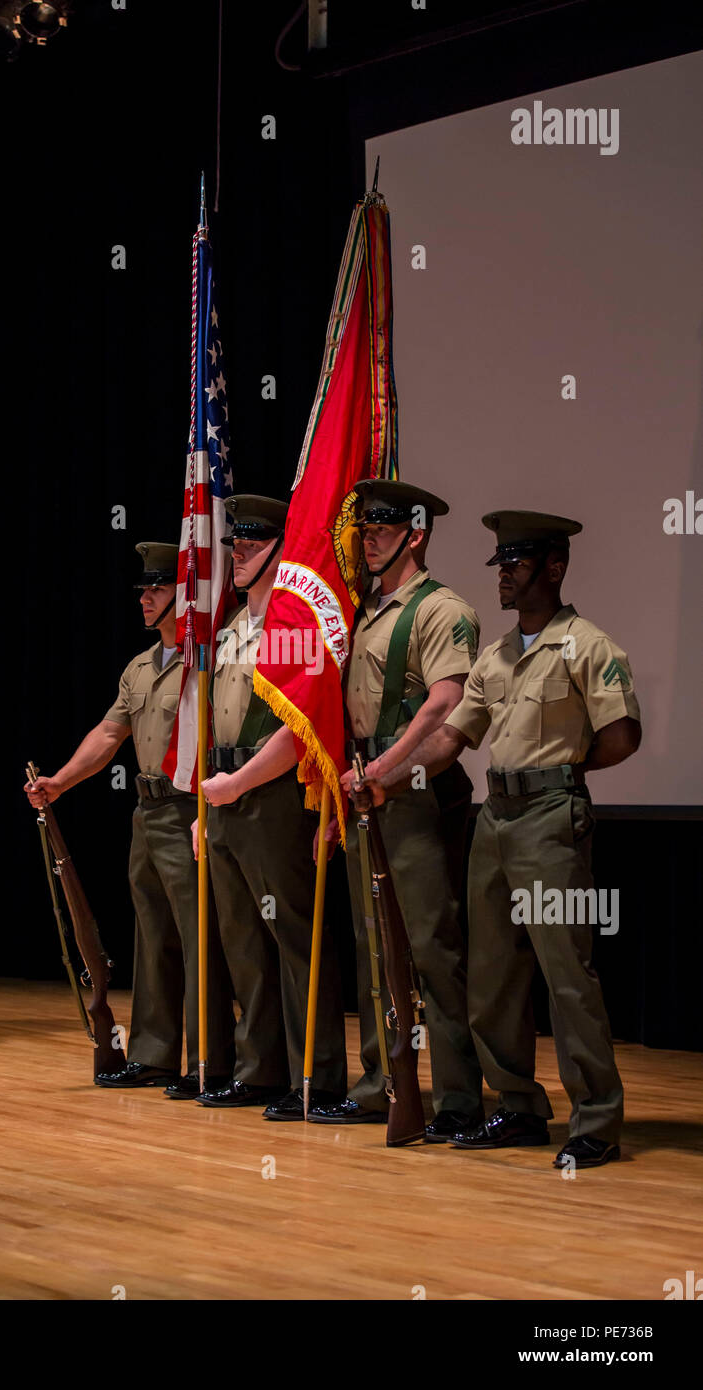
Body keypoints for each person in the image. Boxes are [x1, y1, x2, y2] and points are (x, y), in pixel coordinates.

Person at [365, 510, 641, 1169]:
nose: (504, 578)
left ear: (554, 566)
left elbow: (623, 736)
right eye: (499, 565)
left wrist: (563, 769)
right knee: (491, 976)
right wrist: (389, 778)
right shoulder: (495, 656)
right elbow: (450, 740)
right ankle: (517, 1107)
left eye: (516, 564)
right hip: (494, 819)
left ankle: (596, 1119)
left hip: (549, 817)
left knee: (566, 973)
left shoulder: (588, 645)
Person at [306, 478, 484, 1140]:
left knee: (432, 949)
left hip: (413, 793)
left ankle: (461, 1097)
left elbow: (445, 704)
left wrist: (384, 769)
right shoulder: (364, 613)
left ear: (415, 534)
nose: (368, 541)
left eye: (381, 529)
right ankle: (382, 1083)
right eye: (364, 531)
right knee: (374, 946)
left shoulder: (443, 610)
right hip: (363, 792)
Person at [24, 542, 234, 1094]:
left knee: (199, 938)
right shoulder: (140, 666)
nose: (144, 598)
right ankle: (154, 1054)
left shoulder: (206, 661)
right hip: (147, 812)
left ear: (183, 596)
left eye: (157, 589)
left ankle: (210, 1060)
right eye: (143, 590)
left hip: (191, 807)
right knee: (153, 935)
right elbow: (109, 733)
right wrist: (60, 783)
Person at [197, 495, 348, 1117]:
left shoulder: (293, 629)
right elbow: (212, 720)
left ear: (280, 553)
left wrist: (239, 785)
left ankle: (315, 1077)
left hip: (273, 794)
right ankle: (260, 1070)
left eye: (253, 547)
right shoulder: (232, 628)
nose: (239, 556)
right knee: (240, 940)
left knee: (294, 940)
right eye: (236, 546)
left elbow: (302, 724)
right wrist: (210, 797)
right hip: (226, 794)